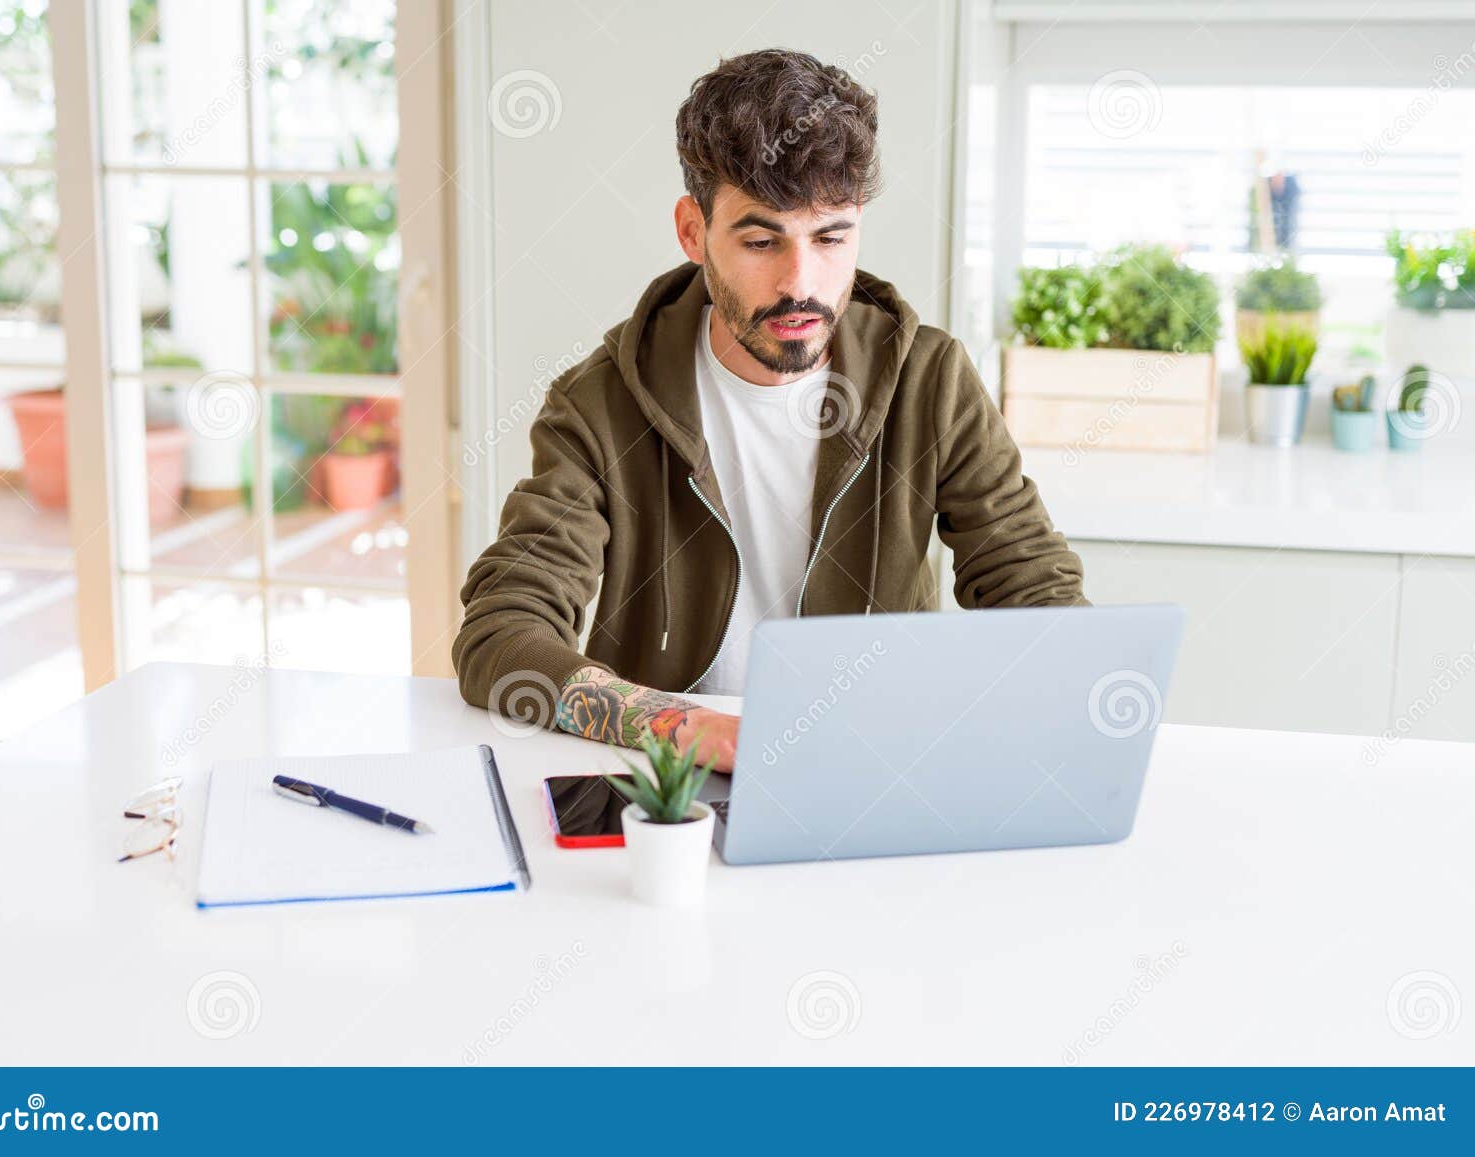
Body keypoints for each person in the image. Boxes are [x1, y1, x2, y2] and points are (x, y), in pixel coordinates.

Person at [454, 48, 1087, 772]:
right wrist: (679, 728)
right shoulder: (596, 403)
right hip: (667, 787)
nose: (800, 283)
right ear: (693, 232)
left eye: (831, 237)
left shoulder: (930, 380)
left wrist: (1078, 702)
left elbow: (1032, 591)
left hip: (870, 770)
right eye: (761, 241)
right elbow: (501, 631)